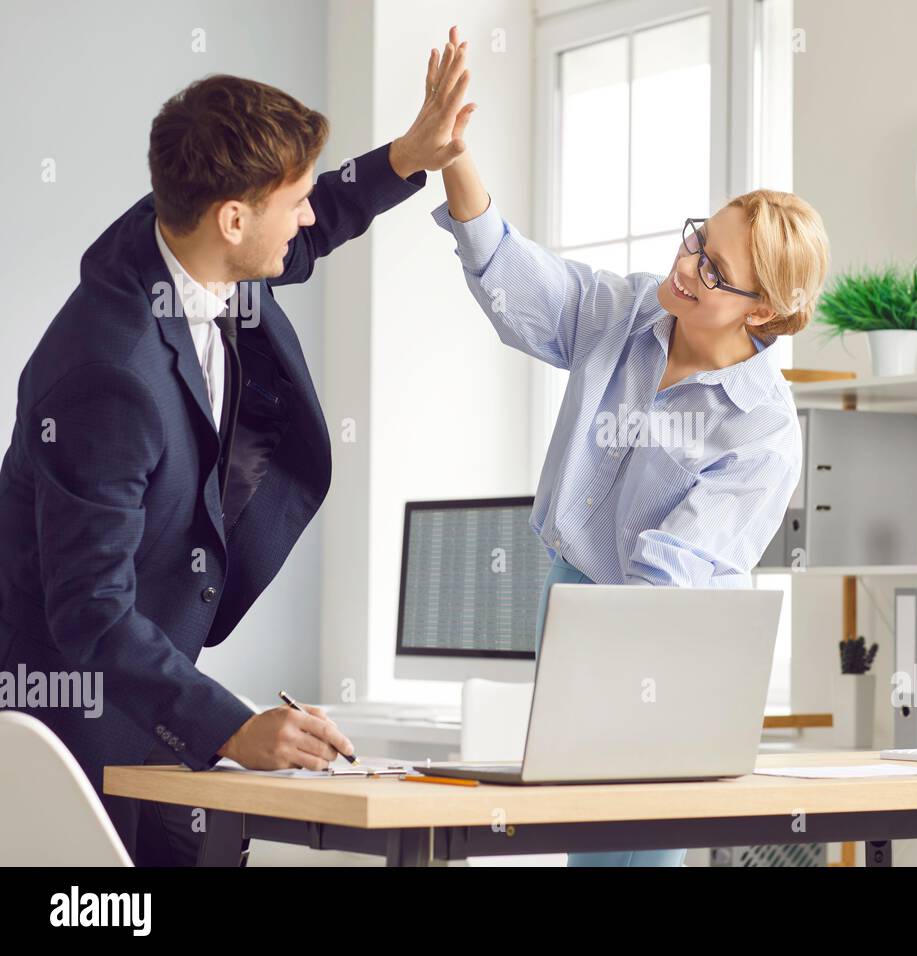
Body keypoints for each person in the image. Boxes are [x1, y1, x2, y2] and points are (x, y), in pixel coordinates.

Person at [0, 32, 474, 866]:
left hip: (150, 691)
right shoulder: (109, 376)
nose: (304, 215)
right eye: (291, 200)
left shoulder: (179, 237)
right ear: (232, 218)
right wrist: (232, 725)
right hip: (70, 720)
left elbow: (309, 221)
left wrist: (410, 157)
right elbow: (90, 611)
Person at [429, 28, 830, 867]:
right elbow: (509, 269)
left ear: (764, 312)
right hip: (570, 604)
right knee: (588, 852)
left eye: (717, 273)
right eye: (697, 242)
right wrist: (451, 153)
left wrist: (602, 681)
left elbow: (669, 579)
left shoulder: (759, 433)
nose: (689, 269)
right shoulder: (622, 314)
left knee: (631, 855)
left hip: (659, 638)